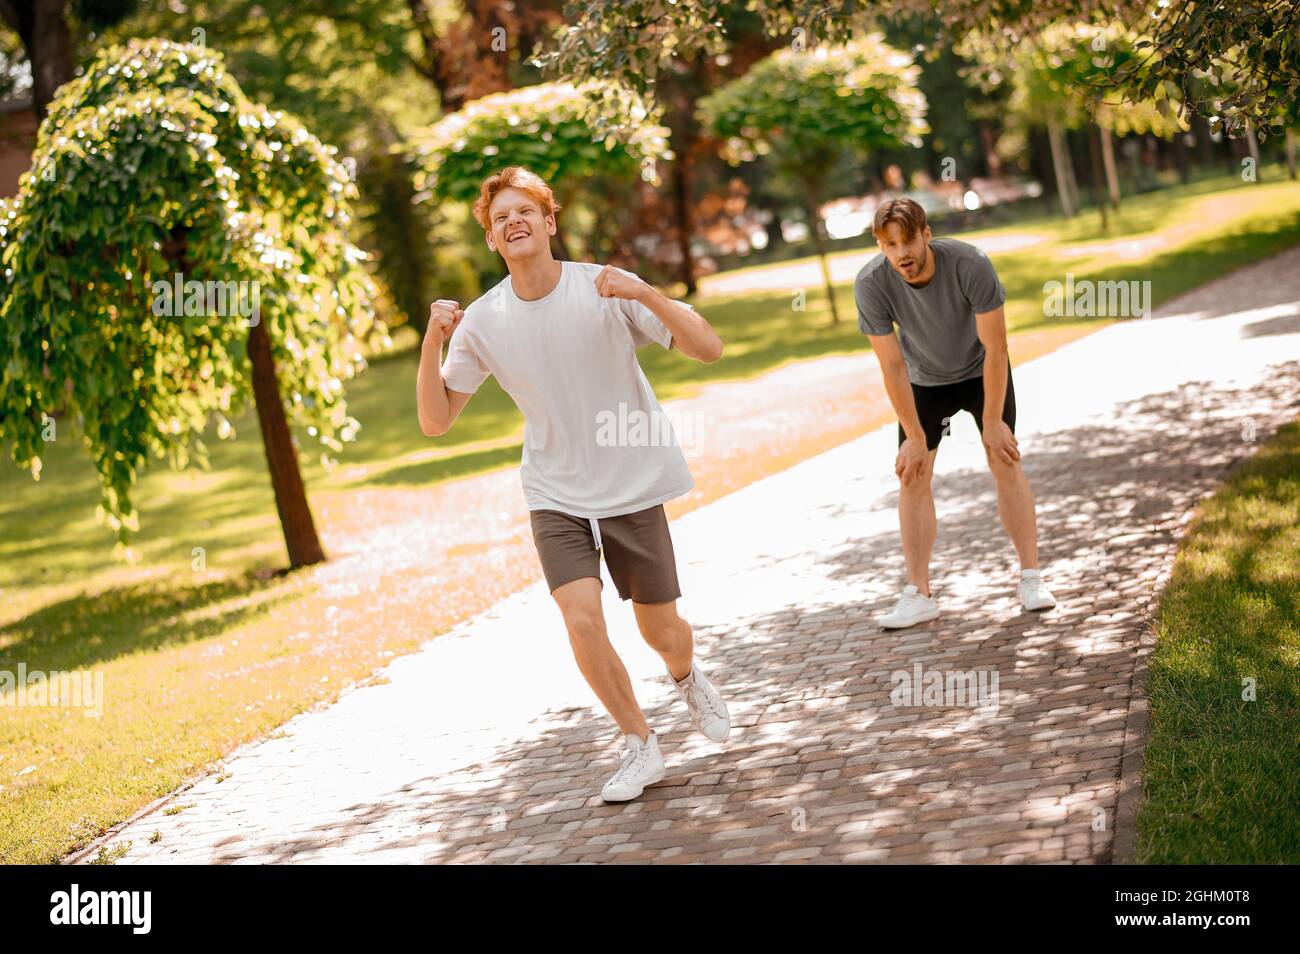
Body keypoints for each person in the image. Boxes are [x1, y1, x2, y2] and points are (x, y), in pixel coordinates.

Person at [416, 166, 731, 802]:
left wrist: (644, 293)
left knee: (660, 629)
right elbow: (435, 420)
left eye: (525, 211)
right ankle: (641, 745)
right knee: (581, 619)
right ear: (492, 241)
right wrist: (432, 342)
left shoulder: (604, 288)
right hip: (554, 491)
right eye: (501, 217)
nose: (514, 222)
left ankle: (686, 673)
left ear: (549, 222)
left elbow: (708, 348)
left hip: (630, 482)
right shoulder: (482, 320)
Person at [855, 197, 1057, 629]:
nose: (901, 254)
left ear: (927, 234)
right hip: (923, 381)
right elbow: (892, 366)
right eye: (890, 245)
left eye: (908, 240)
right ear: (880, 245)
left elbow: (996, 347)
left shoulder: (970, 264)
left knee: (1004, 458)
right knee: (913, 473)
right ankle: (919, 593)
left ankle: (1031, 577)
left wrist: (992, 421)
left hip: (980, 371)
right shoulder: (871, 283)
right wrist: (912, 434)